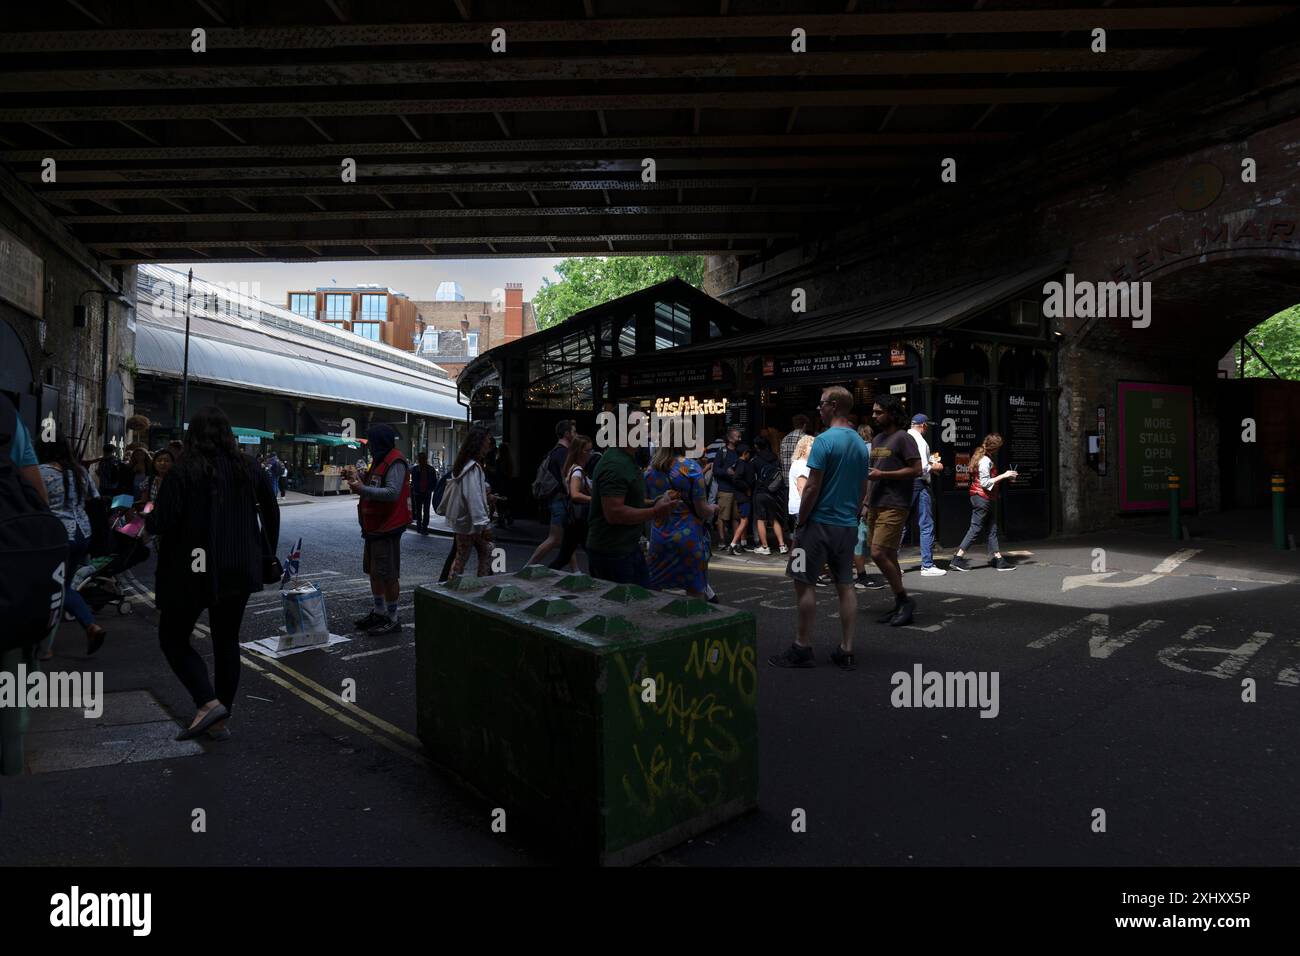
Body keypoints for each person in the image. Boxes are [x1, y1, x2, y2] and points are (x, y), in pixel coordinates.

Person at [145, 406, 279, 741]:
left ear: (193, 437)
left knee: (173, 638)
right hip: (239, 565)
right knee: (226, 640)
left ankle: (207, 703)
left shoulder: (182, 471)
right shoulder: (249, 467)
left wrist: (143, 517)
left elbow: (163, 522)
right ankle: (220, 717)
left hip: (193, 568)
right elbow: (272, 510)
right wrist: (266, 553)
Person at [771, 386, 871, 671]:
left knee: (803, 583)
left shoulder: (824, 442)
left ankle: (802, 647)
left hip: (816, 526)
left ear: (835, 405)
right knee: (846, 585)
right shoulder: (860, 445)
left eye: (823, 403)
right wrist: (852, 514)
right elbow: (864, 486)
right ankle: (846, 649)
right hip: (846, 527)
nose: (820, 408)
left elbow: (812, 486)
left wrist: (801, 523)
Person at [37, 434, 107, 659]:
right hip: (82, 534)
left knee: (52, 589)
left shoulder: (41, 472)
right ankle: (90, 626)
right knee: (63, 586)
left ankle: (45, 646)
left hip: (58, 537)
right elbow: (93, 498)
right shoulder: (79, 472)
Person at [345, 424, 411, 635]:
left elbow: (392, 492)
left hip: (387, 526)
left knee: (388, 574)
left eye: (373, 442)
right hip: (374, 526)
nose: (371, 447)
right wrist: (358, 477)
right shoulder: (381, 460)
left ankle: (392, 618)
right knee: (374, 572)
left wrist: (362, 489)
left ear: (381, 442)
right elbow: (376, 482)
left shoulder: (395, 461)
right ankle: (380, 611)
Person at [864, 396, 923, 626]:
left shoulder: (904, 438)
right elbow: (873, 472)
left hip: (895, 503)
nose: (874, 416)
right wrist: (866, 501)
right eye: (874, 412)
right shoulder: (878, 438)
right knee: (888, 555)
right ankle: (900, 605)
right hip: (876, 503)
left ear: (891, 412)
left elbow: (916, 469)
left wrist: (884, 476)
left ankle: (904, 600)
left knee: (878, 553)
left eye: (879, 412)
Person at [585, 442, 674, 585]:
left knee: (642, 600)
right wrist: (655, 511)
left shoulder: (627, 459)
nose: (643, 430)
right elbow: (615, 513)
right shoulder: (615, 465)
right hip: (613, 553)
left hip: (628, 547)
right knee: (625, 604)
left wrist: (653, 502)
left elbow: (627, 500)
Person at [645, 446, 718, 598]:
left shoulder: (651, 469)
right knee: (694, 591)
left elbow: (645, 501)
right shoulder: (691, 467)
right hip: (688, 539)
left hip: (659, 537)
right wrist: (713, 508)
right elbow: (702, 510)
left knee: (654, 589)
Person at [950, 434, 1018, 572]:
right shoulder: (985, 460)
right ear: (996, 448)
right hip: (982, 497)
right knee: (975, 528)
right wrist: (1004, 475)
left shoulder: (982, 456)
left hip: (983, 497)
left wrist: (1005, 477)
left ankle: (997, 559)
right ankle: (957, 558)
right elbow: (985, 483)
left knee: (992, 528)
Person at [445, 426, 496, 577]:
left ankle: (477, 583)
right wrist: (484, 525)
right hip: (470, 523)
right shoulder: (472, 468)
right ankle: (456, 586)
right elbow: (474, 498)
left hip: (465, 522)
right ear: (479, 442)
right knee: (465, 557)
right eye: (487, 439)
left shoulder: (465, 465)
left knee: (483, 551)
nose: (489, 443)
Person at [526, 420, 575, 567]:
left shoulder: (555, 451)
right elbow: (565, 478)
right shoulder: (562, 453)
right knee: (554, 539)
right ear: (567, 434)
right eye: (574, 431)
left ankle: (577, 570)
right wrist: (574, 495)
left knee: (569, 538)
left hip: (558, 500)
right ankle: (527, 567)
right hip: (560, 501)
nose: (576, 434)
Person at [903, 414, 946, 576]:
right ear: (922, 425)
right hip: (919, 483)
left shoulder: (905, 437)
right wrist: (936, 467)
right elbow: (921, 466)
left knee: (903, 524)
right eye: (926, 425)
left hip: (906, 483)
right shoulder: (919, 441)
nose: (927, 428)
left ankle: (891, 562)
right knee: (926, 524)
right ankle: (927, 565)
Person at [548, 435, 593, 572]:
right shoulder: (577, 471)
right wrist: (594, 499)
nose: (590, 454)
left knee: (565, 556)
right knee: (593, 552)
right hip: (579, 521)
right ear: (579, 452)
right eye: (587, 450)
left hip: (574, 521)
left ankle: (546, 575)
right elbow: (575, 494)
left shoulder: (574, 468)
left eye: (591, 450)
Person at [851, 422, 885, 591]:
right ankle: (862, 574)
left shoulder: (855, 451)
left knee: (857, 537)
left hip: (855, 499)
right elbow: (871, 479)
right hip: (868, 500)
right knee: (862, 537)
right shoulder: (875, 450)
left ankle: (858, 572)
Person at [749, 437, 787, 556]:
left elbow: (751, 478)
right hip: (773, 492)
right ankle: (782, 545)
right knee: (773, 519)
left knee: (760, 519)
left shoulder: (755, 460)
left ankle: (765, 546)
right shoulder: (775, 458)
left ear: (756, 446)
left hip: (760, 492)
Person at [712, 427, 742, 547]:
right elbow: (715, 470)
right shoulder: (722, 452)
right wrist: (726, 472)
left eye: (740, 436)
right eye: (737, 436)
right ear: (729, 438)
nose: (740, 439)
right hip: (725, 490)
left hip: (737, 490)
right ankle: (722, 540)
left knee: (736, 517)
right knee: (722, 517)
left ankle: (735, 541)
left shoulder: (740, 452)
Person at [722, 442, 754, 554]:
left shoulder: (737, 463)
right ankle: (732, 545)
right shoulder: (742, 464)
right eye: (749, 453)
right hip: (744, 496)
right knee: (744, 521)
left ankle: (735, 545)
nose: (750, 455)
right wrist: (747, 489)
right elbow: (736, 479)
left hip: (741, 496)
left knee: (743, 520)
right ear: (745, 453)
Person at [409, 450, 437, 534]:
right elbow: (414, 481)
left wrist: (430, 489)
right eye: (421, 459)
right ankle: (419, 527)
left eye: (423, 459)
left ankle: (424, 527)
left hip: (426, 492)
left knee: (426, 511)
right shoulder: (415, 469)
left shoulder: (431, 469)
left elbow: (434, 481)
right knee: (419, 510)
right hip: (418, 493)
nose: (422, 461)